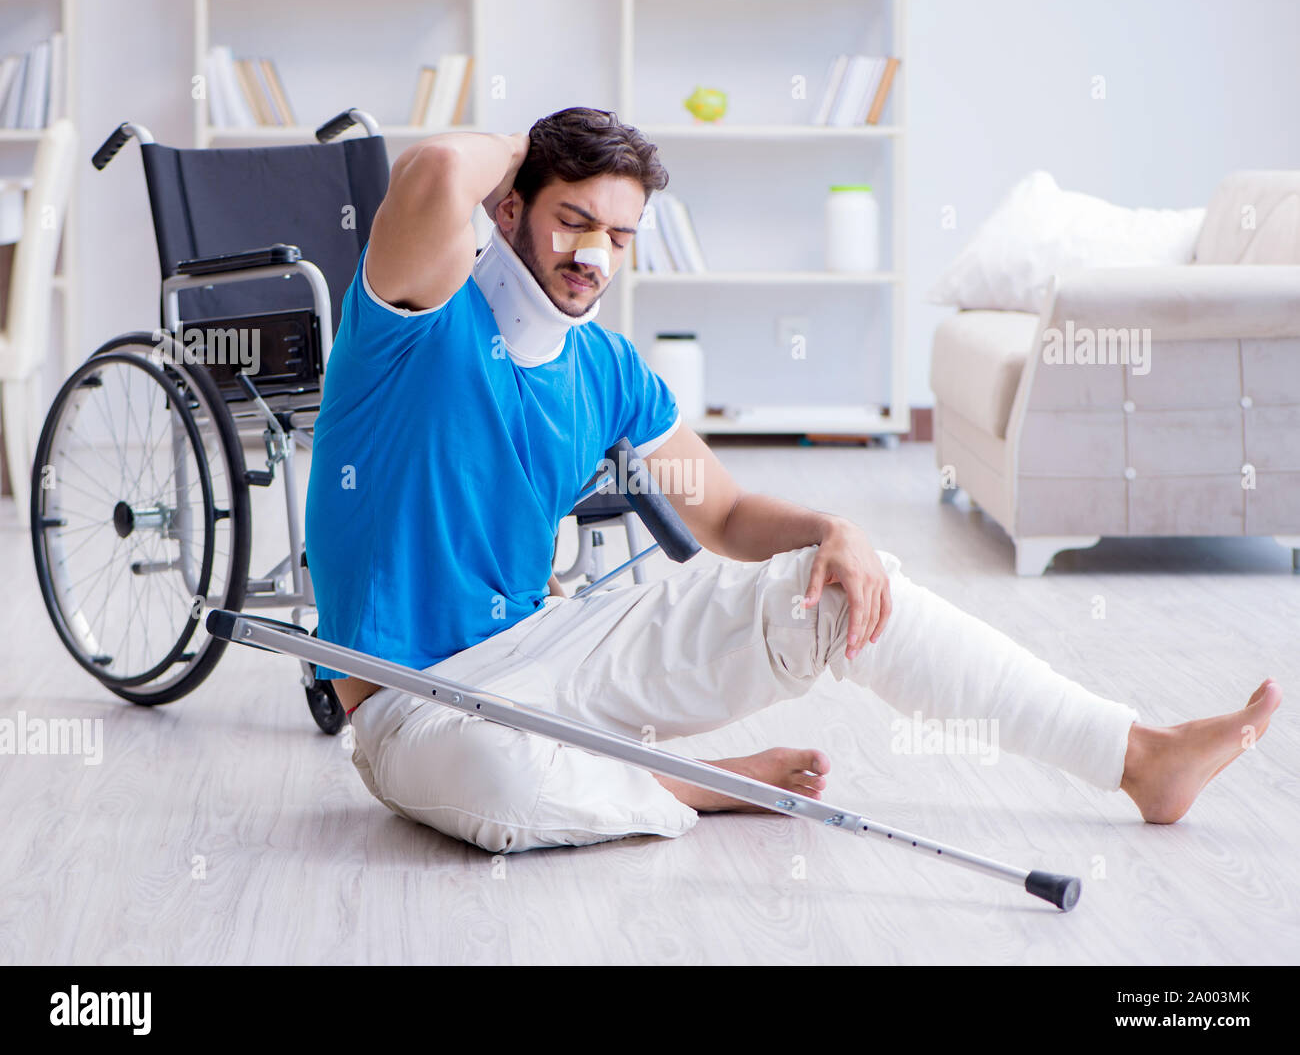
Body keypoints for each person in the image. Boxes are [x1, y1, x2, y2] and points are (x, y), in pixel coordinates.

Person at [303, 107, 1281, 854]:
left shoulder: (605, 371)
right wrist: (534, 142)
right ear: (509, 204)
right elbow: (434, 168)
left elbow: (722, 512)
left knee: (842, 587)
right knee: (492, 779)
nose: (593, 256)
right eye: (572, 220)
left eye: (620, 235)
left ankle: (1136, 754)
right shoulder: (416, 310)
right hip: (408, 700)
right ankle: (695, 782)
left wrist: (832, 528)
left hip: (540, 649)